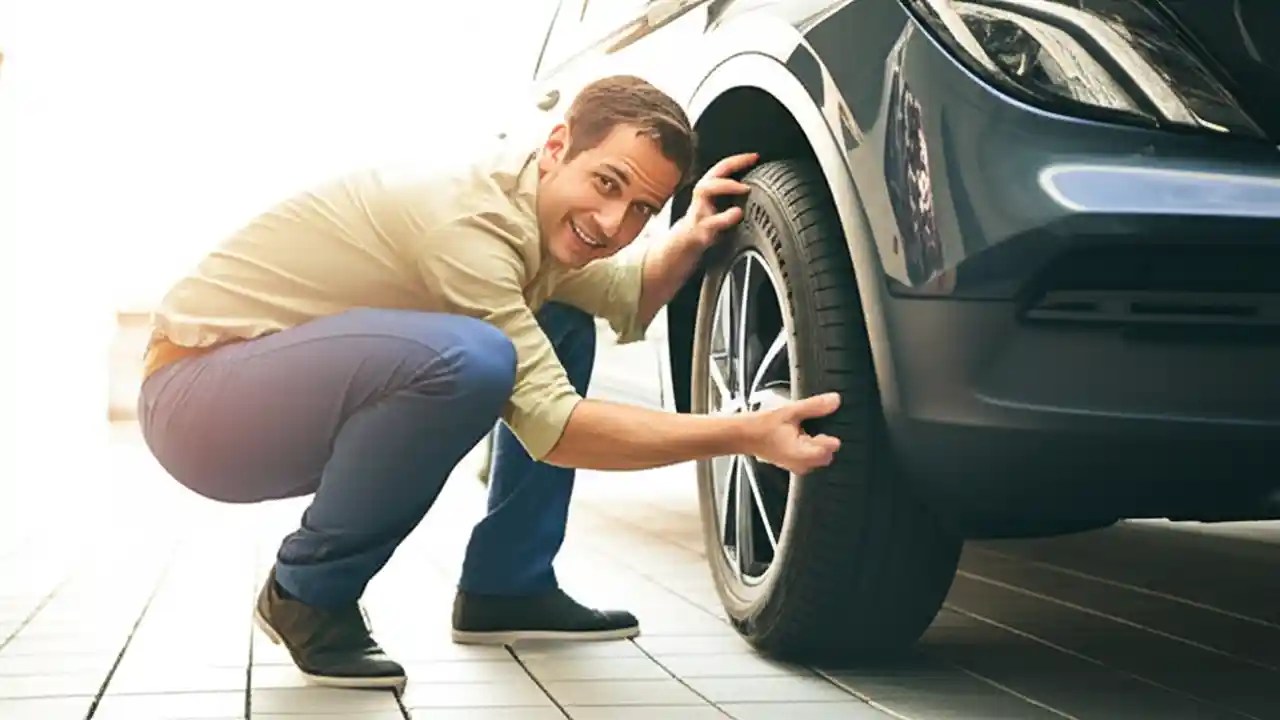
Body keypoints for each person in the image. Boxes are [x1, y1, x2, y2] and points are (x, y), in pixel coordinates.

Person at [136, 75, 842, 689]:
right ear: (559, 143)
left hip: (247, 395)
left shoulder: (529, 208)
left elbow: (625, 295)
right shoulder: (469, 224)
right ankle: (308, 593)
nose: (613, 222)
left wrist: (686, 235)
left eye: (641, 210)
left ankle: (509, 586)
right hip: (199, 405)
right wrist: (743, 433)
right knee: (473, 358)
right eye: (607, 184)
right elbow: (560, 430)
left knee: (554, 320)